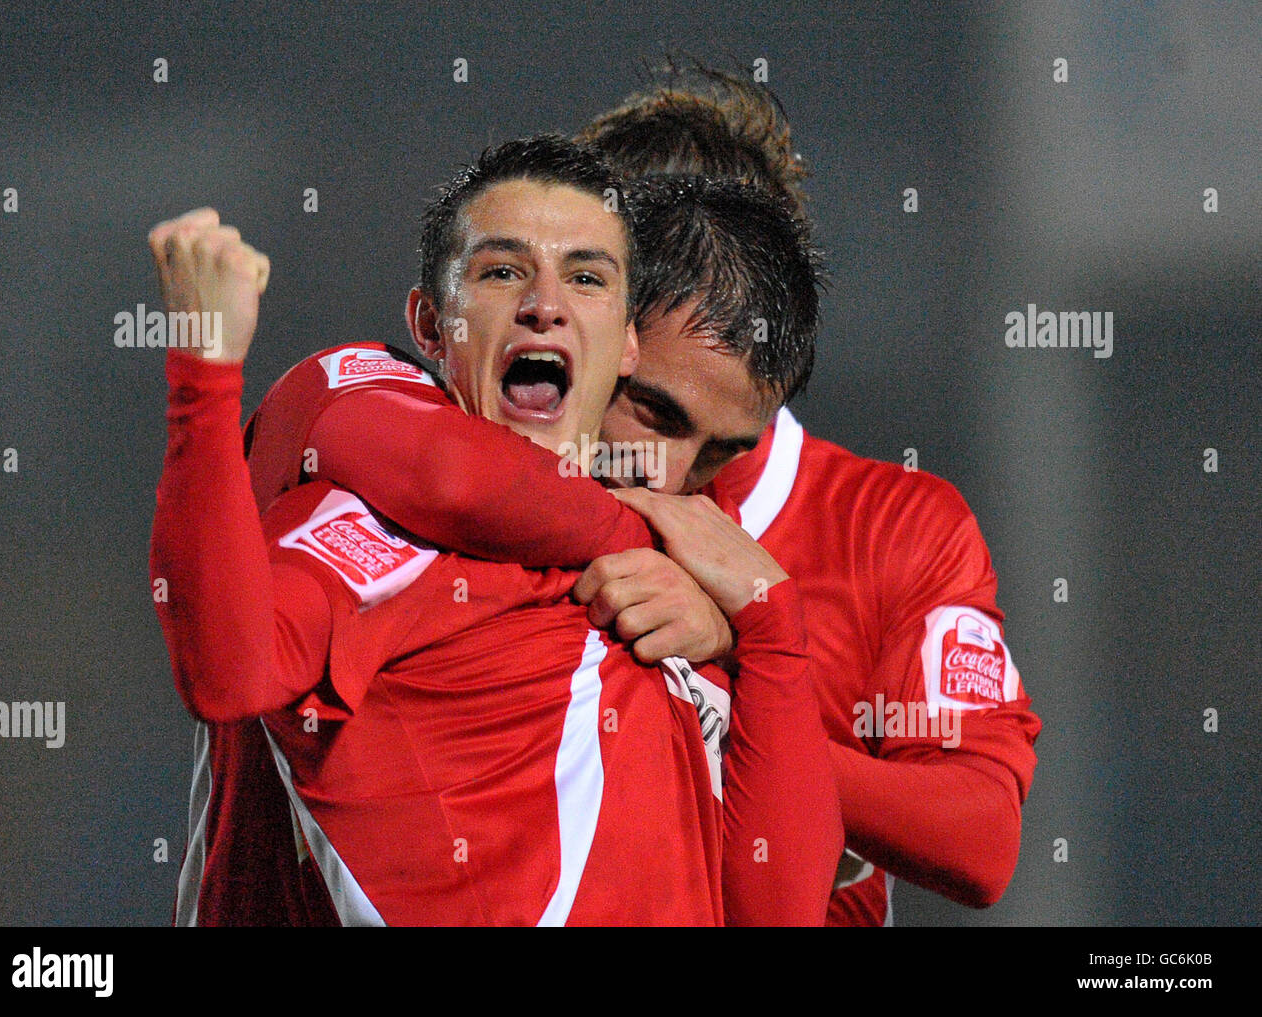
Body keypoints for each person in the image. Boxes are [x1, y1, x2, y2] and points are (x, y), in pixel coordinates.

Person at [150, 136, 839, 925]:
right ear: (432, 326)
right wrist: (204, 376)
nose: (669, 469)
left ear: (623, 343)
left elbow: (783, 910)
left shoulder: (692, 625)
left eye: (585, 278)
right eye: (503, 271)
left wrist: (772, 632)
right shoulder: (381, 521)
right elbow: (228, 669)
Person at [578, 61, 1043, 924]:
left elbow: (980, 839)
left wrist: (749, 683)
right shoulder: (489, 467)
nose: (669, 471)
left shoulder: (895, 529)